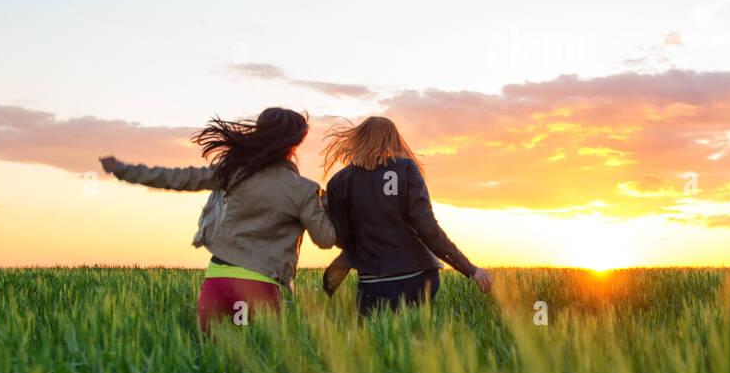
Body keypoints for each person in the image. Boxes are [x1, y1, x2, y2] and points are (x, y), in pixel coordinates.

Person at [99, 107, 337, 332]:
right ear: (295, 144)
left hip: (217, 280)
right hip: (257, 288)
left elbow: (179, 178)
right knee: (250, 362)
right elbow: (325, 239)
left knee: (211, 361)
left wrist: (123, 169)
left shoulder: (232, 170)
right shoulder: (304, 190)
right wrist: (329, 205)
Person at [321, 116, 492, 316]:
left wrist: (326, 210)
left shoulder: (338, 182)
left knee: (375, 343)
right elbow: (427, 228)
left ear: (359, 139)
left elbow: (345, 241)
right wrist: (469, 269)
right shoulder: (406, 167)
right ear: (393, 139)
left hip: (374, 285)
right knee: (414, 339)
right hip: (419, 279)